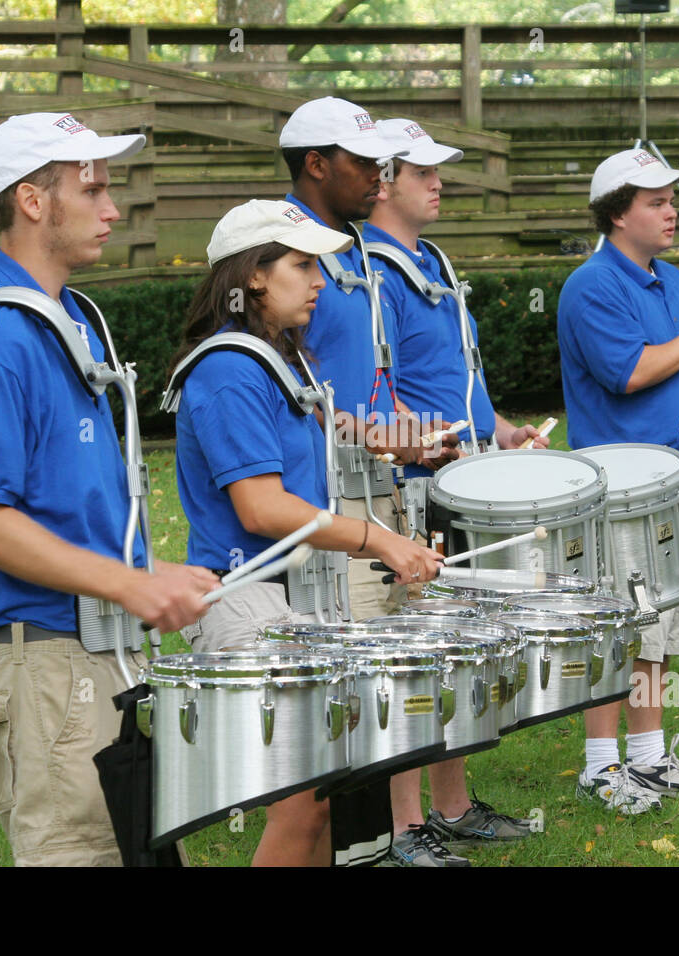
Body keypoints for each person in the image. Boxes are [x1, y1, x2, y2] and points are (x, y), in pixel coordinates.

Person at [0, 112, 218, 866]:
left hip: (101, 654)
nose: (112, 207)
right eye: (91, 188)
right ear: (33, 200)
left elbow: (67, 509)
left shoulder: (71, 325)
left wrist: (145, 574)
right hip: (48, 668)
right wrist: (126, 584)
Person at [172, 199, 446, 866]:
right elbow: (262, 508)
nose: (322, 280)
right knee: (300, 800)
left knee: (321, 791)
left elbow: (325, 428)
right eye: (303, 265)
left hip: (293, 596)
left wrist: (400, 442)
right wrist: (378, 539)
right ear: (254, 276)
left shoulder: (277, 361)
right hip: (247, 598)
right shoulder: (229, 369)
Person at [364, 117, 547, 865]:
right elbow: (372, 388)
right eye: (423, 173)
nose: (440, 182)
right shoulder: (371, 269)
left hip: (460, 475)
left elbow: (458, 381)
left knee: (458, 648)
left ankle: (453, 804)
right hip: (409, 484)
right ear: (383, 180)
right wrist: (424, 439)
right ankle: (406, 828)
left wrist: (498, 432)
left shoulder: (430, 259)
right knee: (411, 653)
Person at [557, 148, 679, 809]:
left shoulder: (671, 278)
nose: (672, 212)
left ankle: (650, 758)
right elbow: (630, 372)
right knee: (619, 627)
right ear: (617, 213)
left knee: (656, 622)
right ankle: (601, 768)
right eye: (657, 202)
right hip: (622, 481)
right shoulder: (591, 285)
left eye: (673, 200)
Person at [278, 96, 453, 621]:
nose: (379, 175)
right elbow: (278, 389)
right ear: (316, 164)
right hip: (326, 503)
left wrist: (418, 439)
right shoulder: (278, 251)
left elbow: (373, 382)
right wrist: (377, 436)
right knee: (352, 684)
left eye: (382, 162)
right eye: (362, 162)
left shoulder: (356, 250)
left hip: (385, 494)